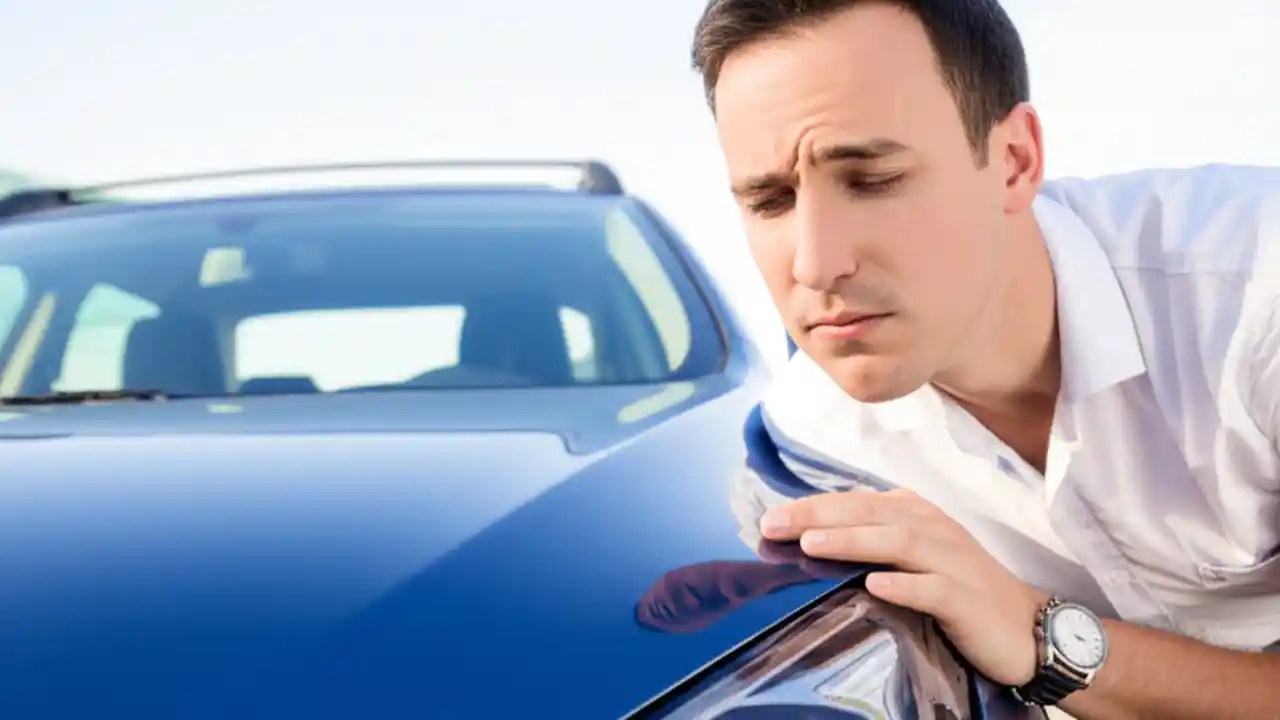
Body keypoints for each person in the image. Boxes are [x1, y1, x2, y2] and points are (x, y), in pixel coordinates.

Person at [689, 0, 1280, 718]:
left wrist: (1039, 637)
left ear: (1014, 161)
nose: (816, 265)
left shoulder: (1256, 295)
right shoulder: (806, 455)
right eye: (770, 201)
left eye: (871, 180)